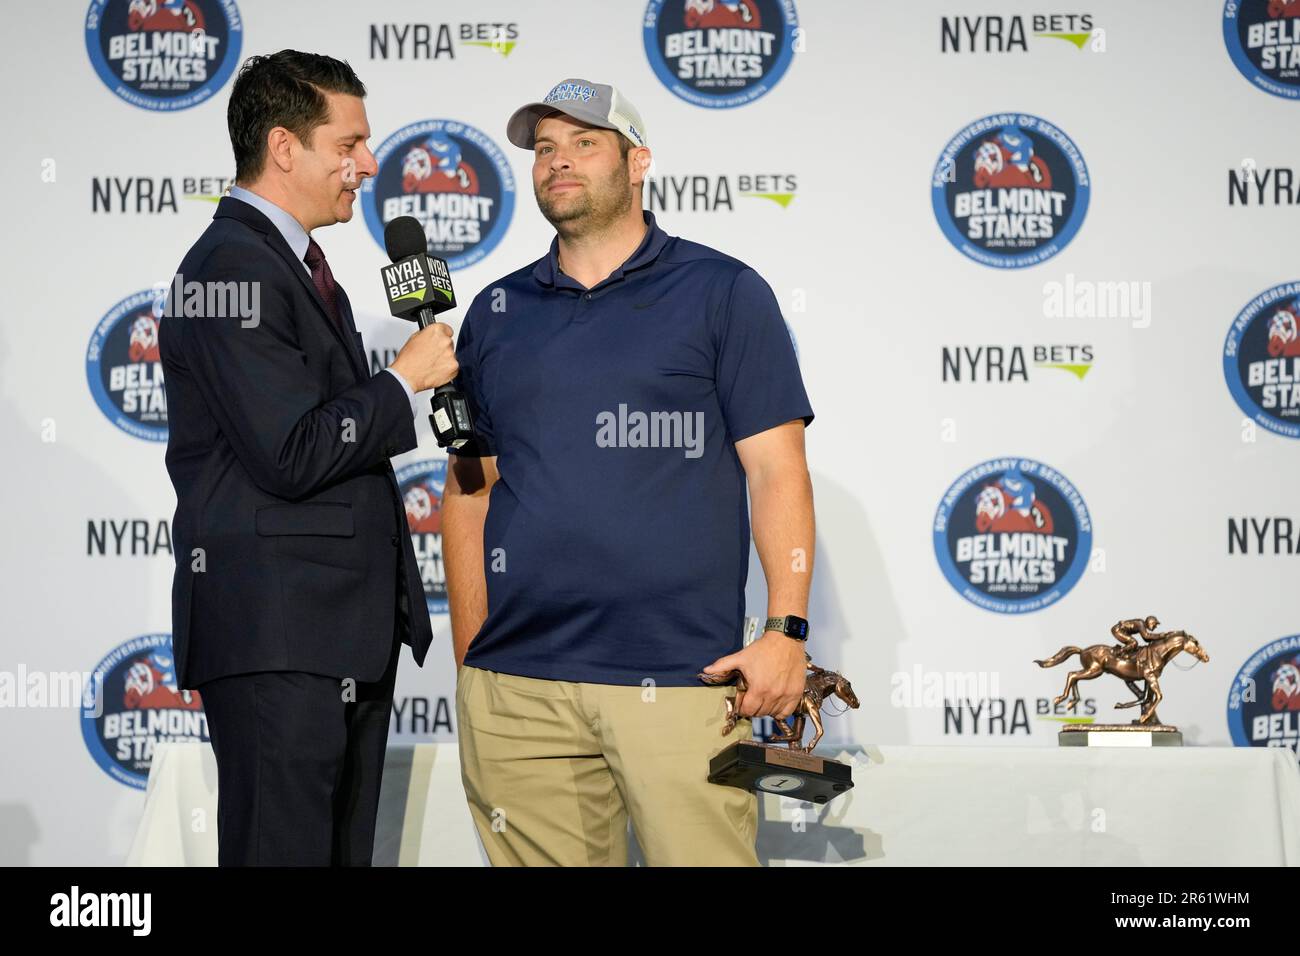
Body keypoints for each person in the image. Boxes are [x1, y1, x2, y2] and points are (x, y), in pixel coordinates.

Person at [442, 78, 816, 866]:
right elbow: (470, 490)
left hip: (682, 678)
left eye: (585, 143)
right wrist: (474, 656)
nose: (559, 162)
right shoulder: (496, 312)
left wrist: (785, 631)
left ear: (637, 161)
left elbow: (777, 472)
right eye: (545, 148)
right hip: (519, 692)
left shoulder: (722, 292)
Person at [159, 50, 457, 865]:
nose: (367, 164)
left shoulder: (289, 266)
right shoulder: (231, 269)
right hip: (279, 641)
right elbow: (290, 453)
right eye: (349, 144)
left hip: (333, 639)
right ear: (285, 147)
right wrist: (401, 384)